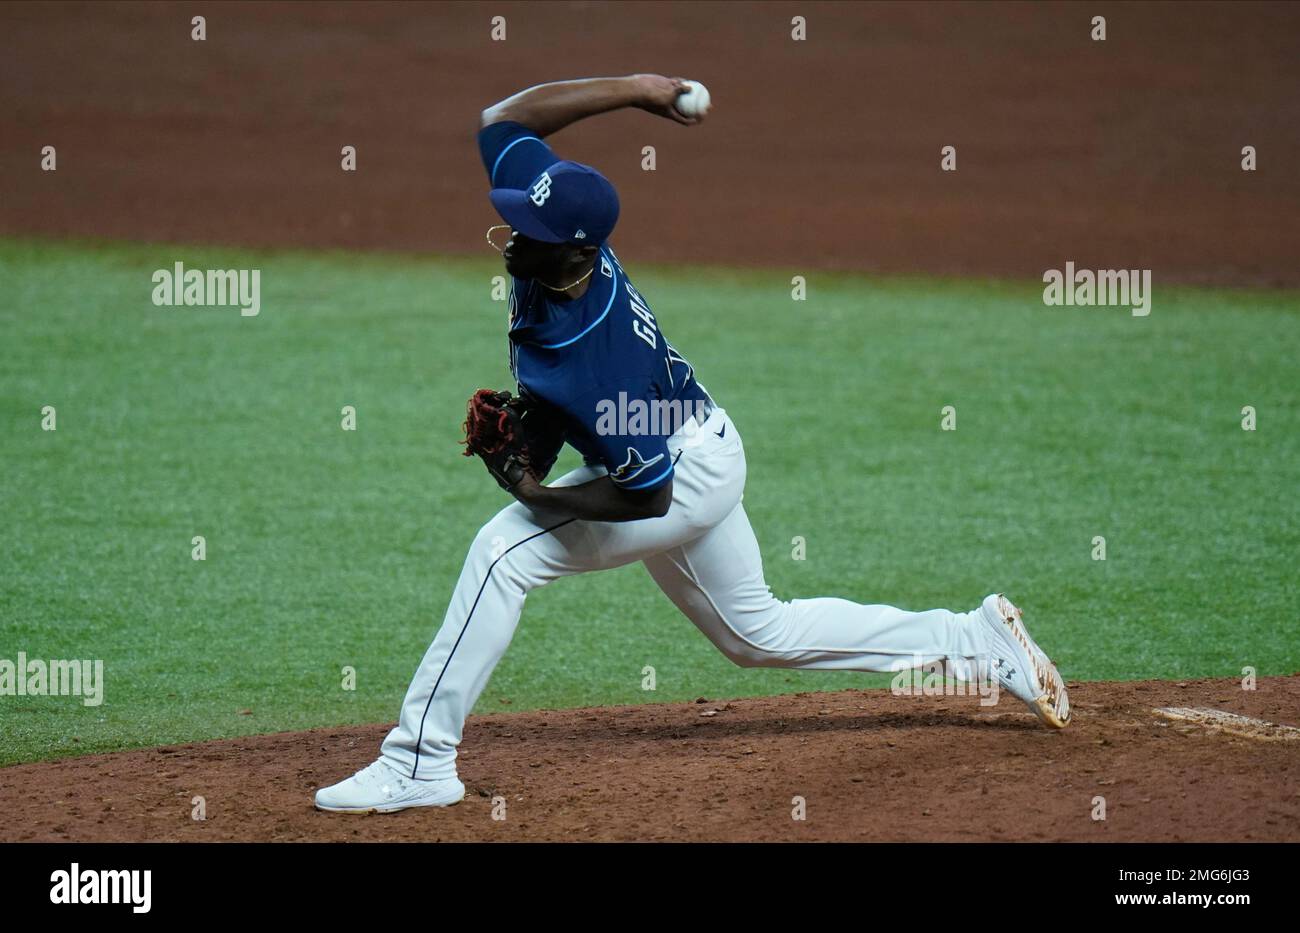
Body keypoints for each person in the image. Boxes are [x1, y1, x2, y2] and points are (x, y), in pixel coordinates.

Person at [314, 74, 1070, 814]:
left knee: (500, 555)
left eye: (532, 238)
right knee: (757, 634)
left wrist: (537, 491)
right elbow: (502, 118)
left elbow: (649, 494)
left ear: (576, 256)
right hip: (693, 439)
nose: (514, 238)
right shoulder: (561, 233)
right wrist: (637, 88)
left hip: (681, 471)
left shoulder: (600, 365)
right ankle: (969, 640)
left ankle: (418, 761)